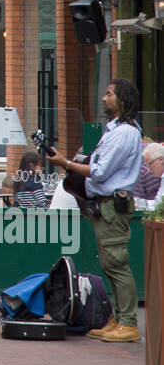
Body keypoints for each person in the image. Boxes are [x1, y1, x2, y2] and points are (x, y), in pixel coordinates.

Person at [44, 79, 143, 343]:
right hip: (104, 205)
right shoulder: (115, 130)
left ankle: (128, 323)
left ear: (122, 99)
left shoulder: (124, 133)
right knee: (111, 265)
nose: (103, 98)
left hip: (113, 206)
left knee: (117, 264)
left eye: (109, 94)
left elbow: (100, 172)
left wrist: (65, 162)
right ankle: (120, 317)